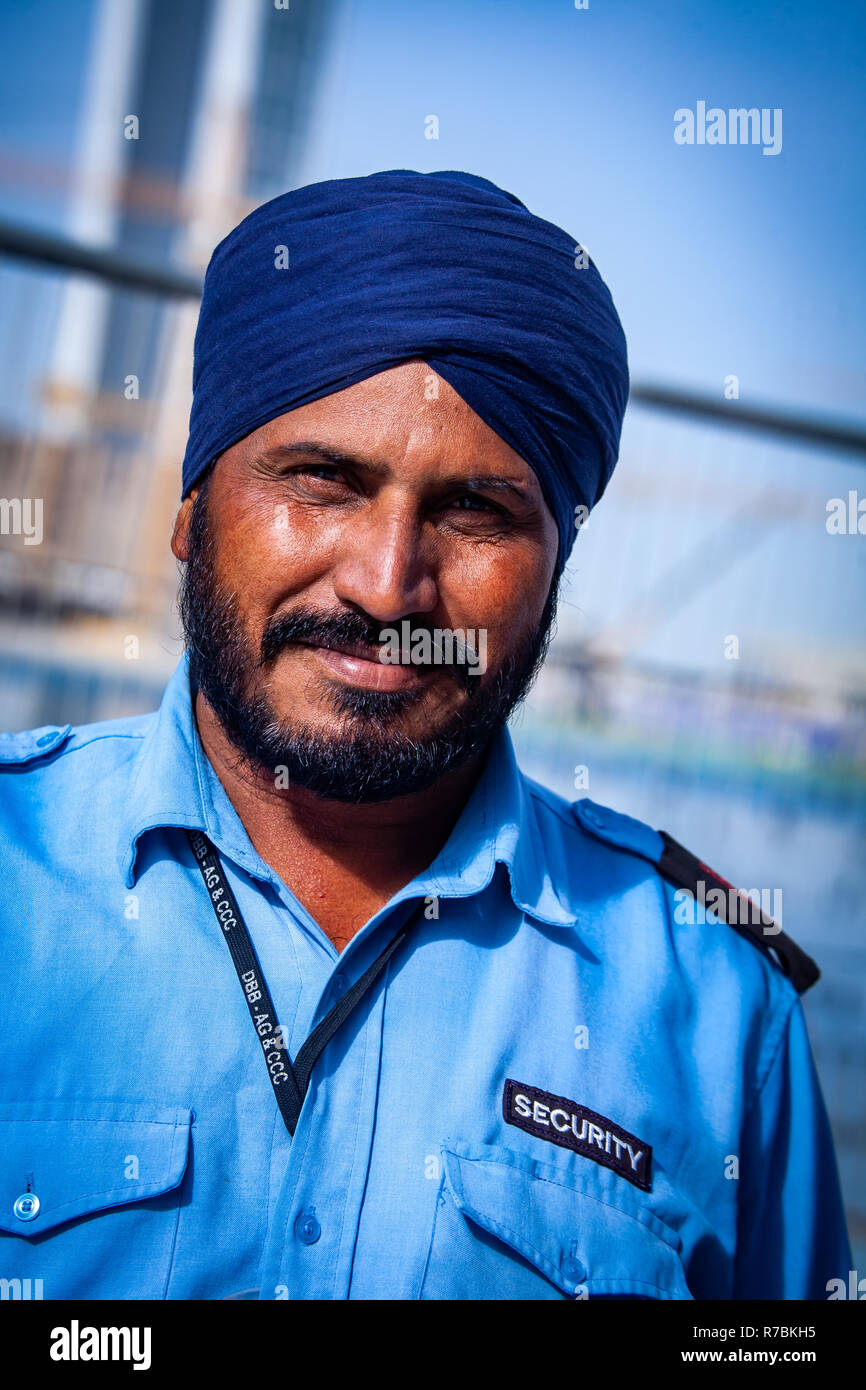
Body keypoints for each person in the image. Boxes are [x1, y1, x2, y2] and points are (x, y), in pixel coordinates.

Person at [0, 171, 851, 1300]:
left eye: (474, 512)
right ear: (192, 507)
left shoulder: (712, 1004)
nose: (385, 584)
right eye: (322, 482)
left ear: (555, 571)